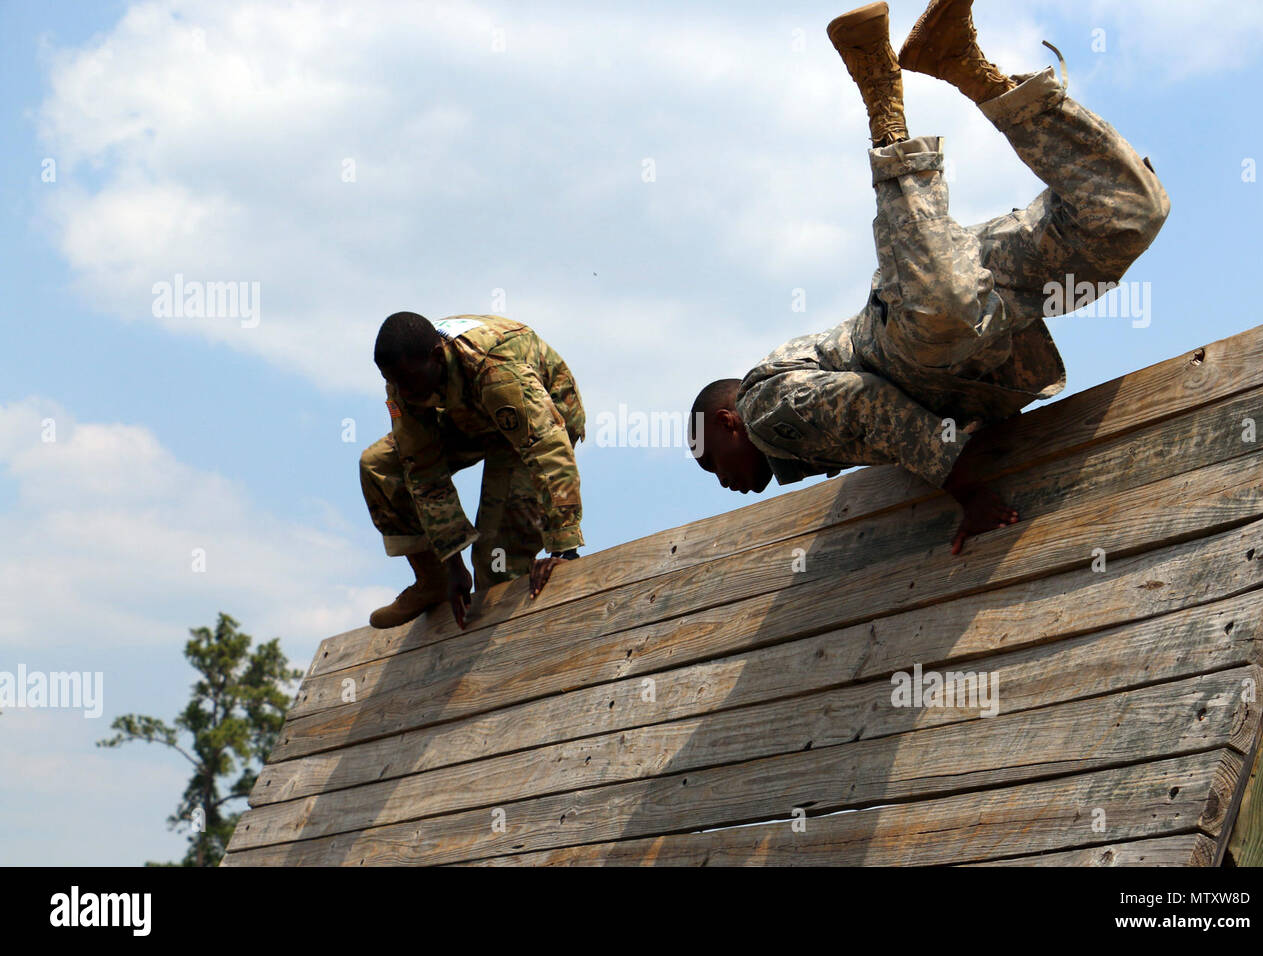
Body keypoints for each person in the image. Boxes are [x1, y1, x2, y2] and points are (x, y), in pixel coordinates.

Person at [691, 0, 1170, 554]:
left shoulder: (761, 411)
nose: (727, 485)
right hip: (980, 314)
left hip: (913, 332)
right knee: (1128, 211)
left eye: (713, 467)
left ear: (727, 424)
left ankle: (883, 106)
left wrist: (968, 492)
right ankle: (968, 65)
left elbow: (865, 402)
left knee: (943, 310)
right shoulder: (802, 445)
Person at [361, 312, 585, 628]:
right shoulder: (405, 379)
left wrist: (564, 546)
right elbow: (424, 472)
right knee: (380, 466)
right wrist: (452, 567)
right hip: (470, 416)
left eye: (409, 382)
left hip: (540, 419)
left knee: (496, 555)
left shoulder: (496, 370)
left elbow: (547, 447)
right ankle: (431, 581)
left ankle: (517, 639)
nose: (404, 393)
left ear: (437, 357)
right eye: (394, 383)